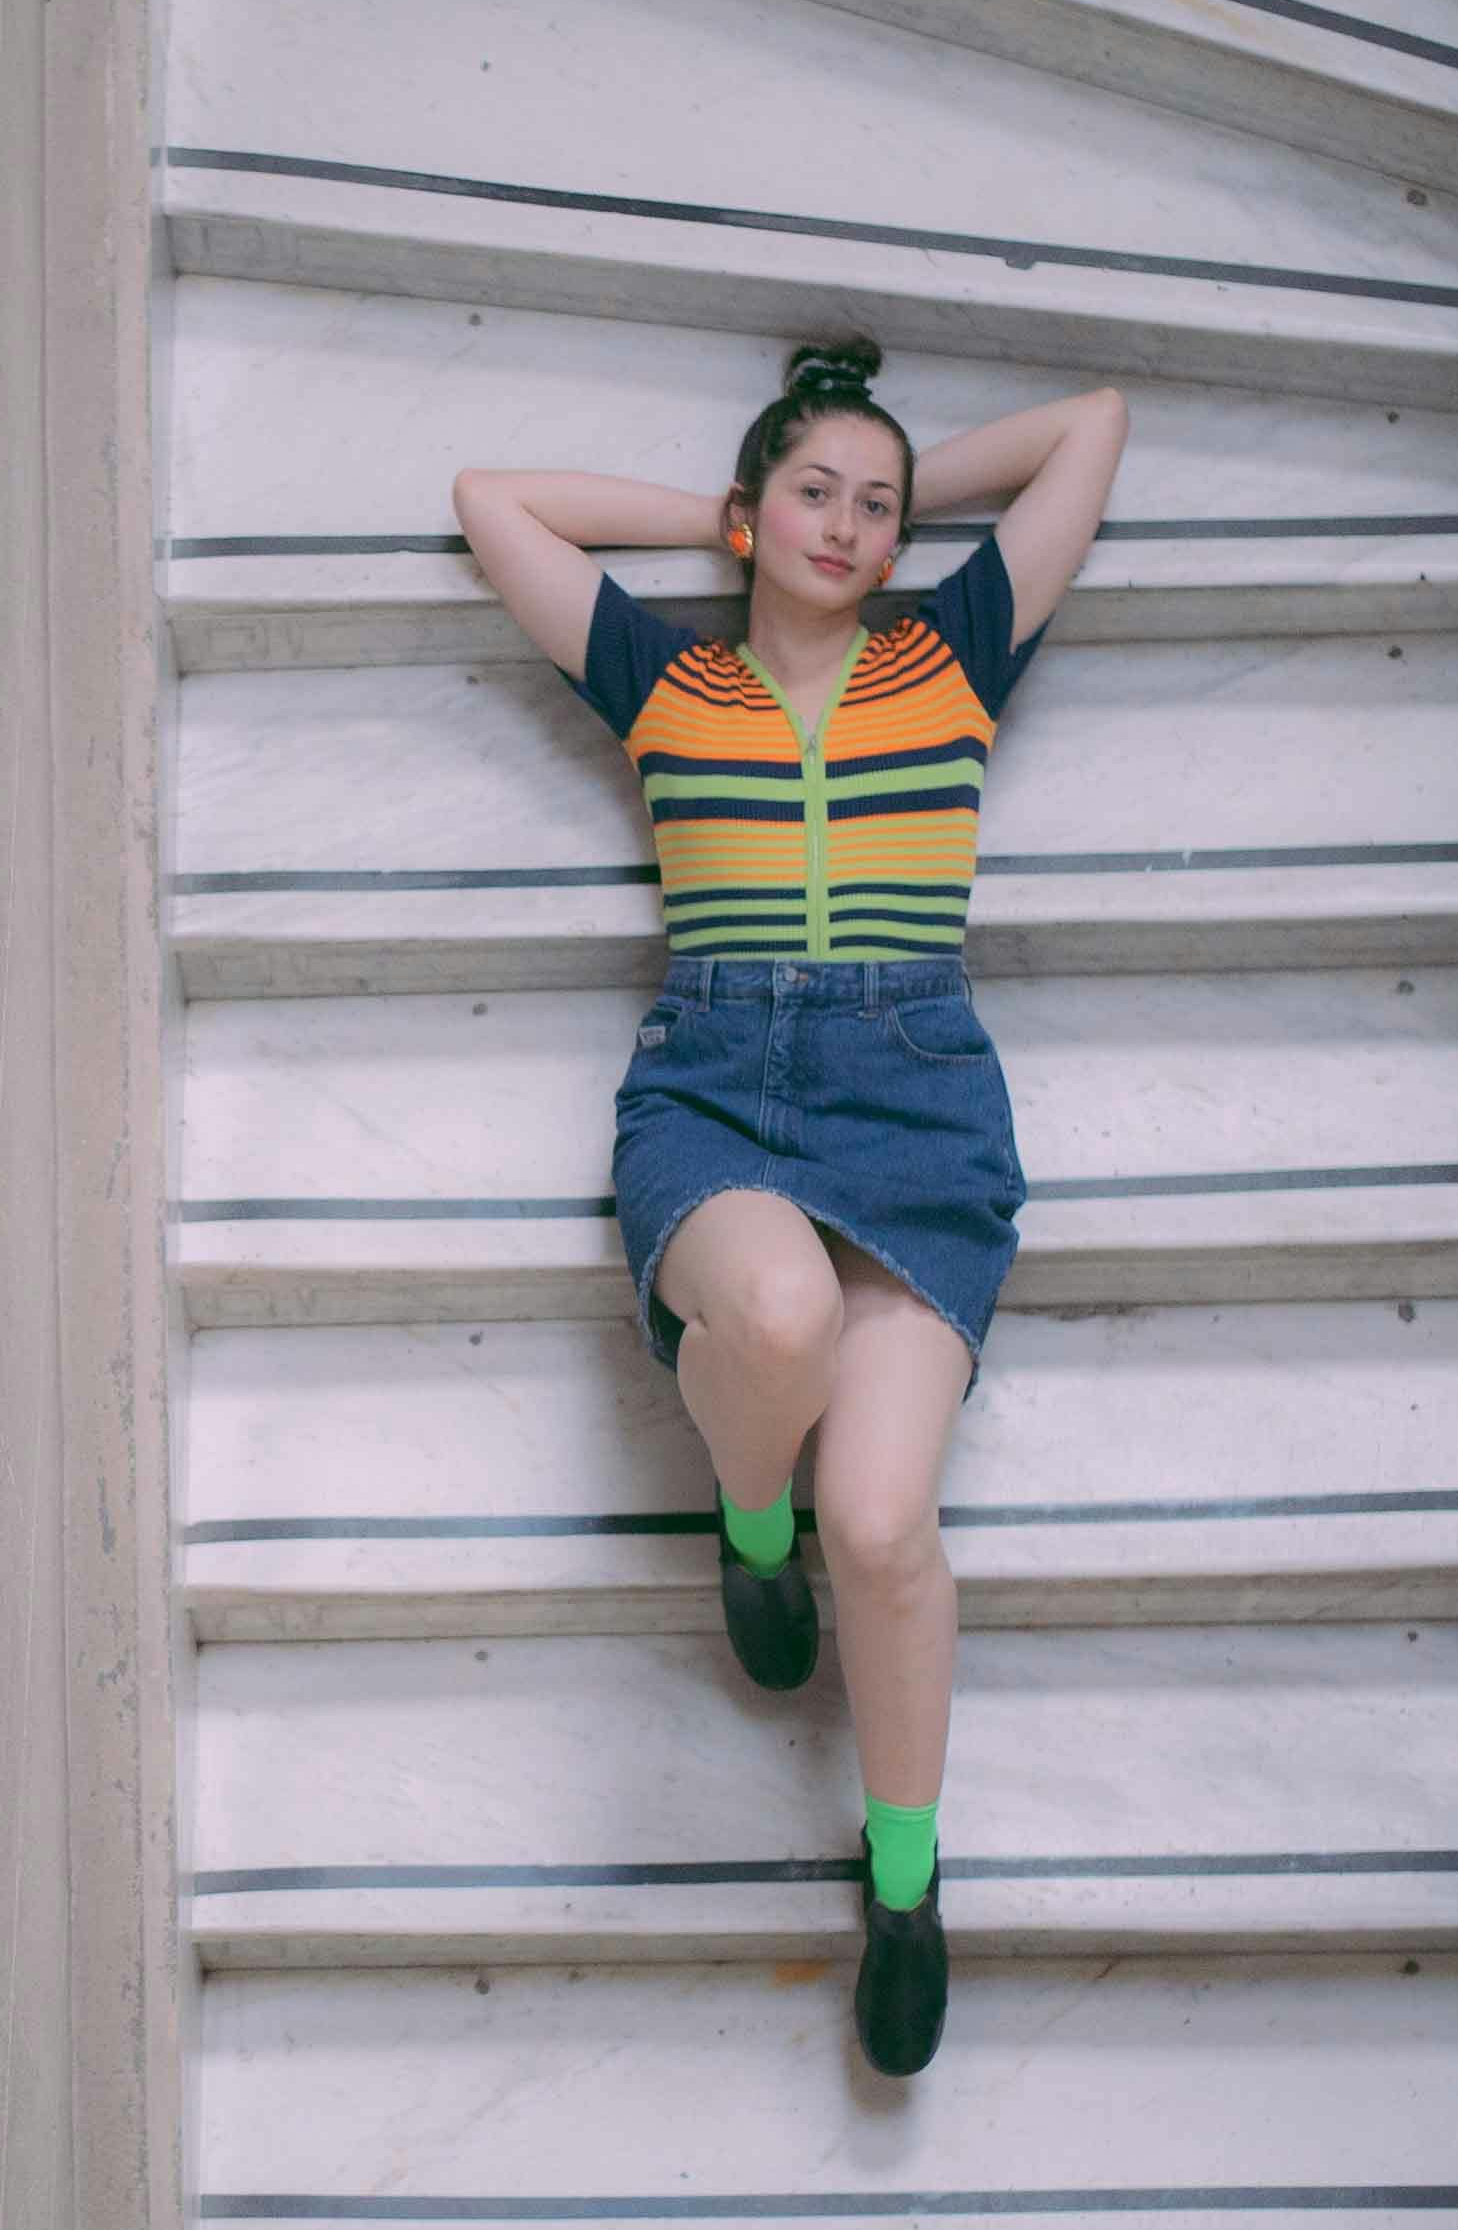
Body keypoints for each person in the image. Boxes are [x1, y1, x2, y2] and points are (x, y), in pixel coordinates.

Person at [450, 338, 1127, 2077]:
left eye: (879, 506)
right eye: (816, 494)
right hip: (717, 1085)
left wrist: (883, 497)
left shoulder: (955, 653)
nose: (850, 525)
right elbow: (491, 504)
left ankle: (902, 1885)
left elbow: (1091, 430)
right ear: (760, 518)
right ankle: (751, 1524)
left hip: (917, 1102)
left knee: (888, 1526)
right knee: (776, 1321)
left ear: (908, 544)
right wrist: (725, 520)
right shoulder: (665, 667)